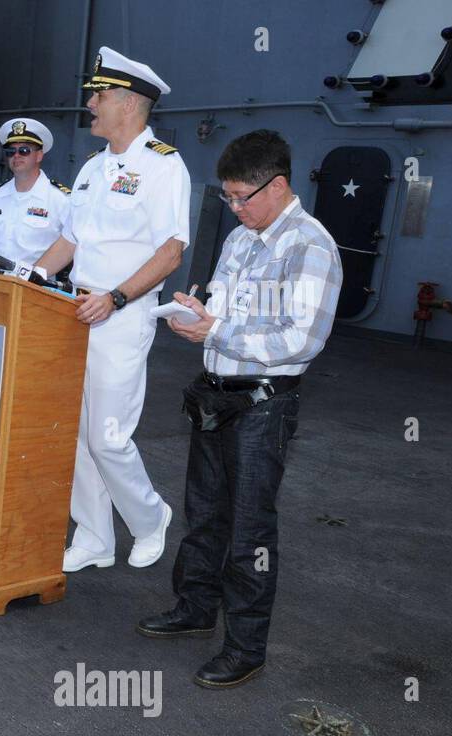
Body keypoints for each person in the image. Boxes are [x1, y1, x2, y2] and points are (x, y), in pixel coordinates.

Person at [137, 131, 341, 689]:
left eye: (240, 197)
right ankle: (195, 607)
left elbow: (300, 339)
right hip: (215, 394)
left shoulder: (310, 247)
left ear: (276, 186)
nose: (233, 208)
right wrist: (198, 315)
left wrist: (218, 329)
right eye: (226, 198)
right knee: (204, 512)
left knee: (251, 529)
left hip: (262, 406)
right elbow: (228, 311)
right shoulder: (243, 238)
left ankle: (246, 646)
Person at [33, 47, 191, 574]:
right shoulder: (92, 169)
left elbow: (171, 248)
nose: (91, 104)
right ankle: (95, 536)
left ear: (129, 103)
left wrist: (117, 297)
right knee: (74, 433)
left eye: (99, 95)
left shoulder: (163, 165)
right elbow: (70, 241)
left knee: (108, 436)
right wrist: (25, 279)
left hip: (122, 315)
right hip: (74, 311)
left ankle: (150, 519)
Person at [0, 118, 72, 268]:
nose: (16, 156)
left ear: (39, 155)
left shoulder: (60, 199)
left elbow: (72, 244)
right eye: (10, 151)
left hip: (37, 286)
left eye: (24, 151)